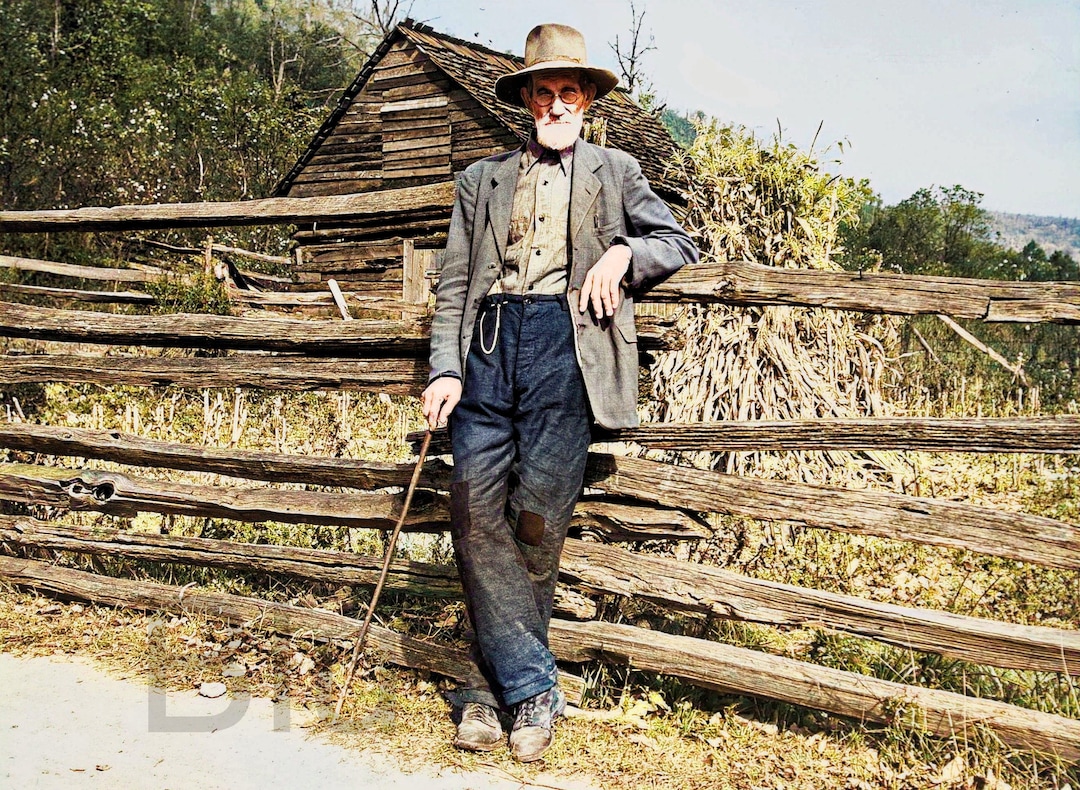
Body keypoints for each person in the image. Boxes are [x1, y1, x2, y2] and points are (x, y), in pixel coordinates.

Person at [420, 22, 698, 762]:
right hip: (486, 347)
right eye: (542, 91)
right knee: (473, 508)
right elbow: (451, 282)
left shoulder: (617, 169)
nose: (554, 103)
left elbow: (677, 242)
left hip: (565, 352)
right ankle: (533, 689)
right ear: (526, 99)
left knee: (536, 524)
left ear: (587, 100)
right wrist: (444, 368)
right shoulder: (481, 180)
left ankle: (484, 693)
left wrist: (622, 252)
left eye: (566, 91)